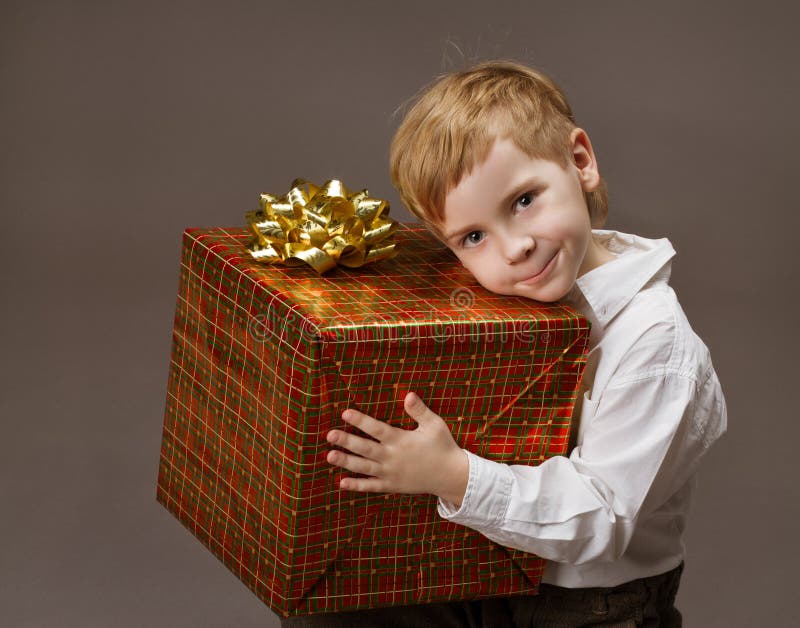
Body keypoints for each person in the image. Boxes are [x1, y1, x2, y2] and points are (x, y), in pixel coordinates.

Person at [283, 61, 727, 627]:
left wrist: (452, 475)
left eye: (523, 201)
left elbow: (600, 519)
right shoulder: (502, 300)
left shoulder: (654, 345)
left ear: (581, 162)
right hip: (484, 570)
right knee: (329, 612)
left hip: (593, 607)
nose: (513, 247)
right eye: (473, 236)